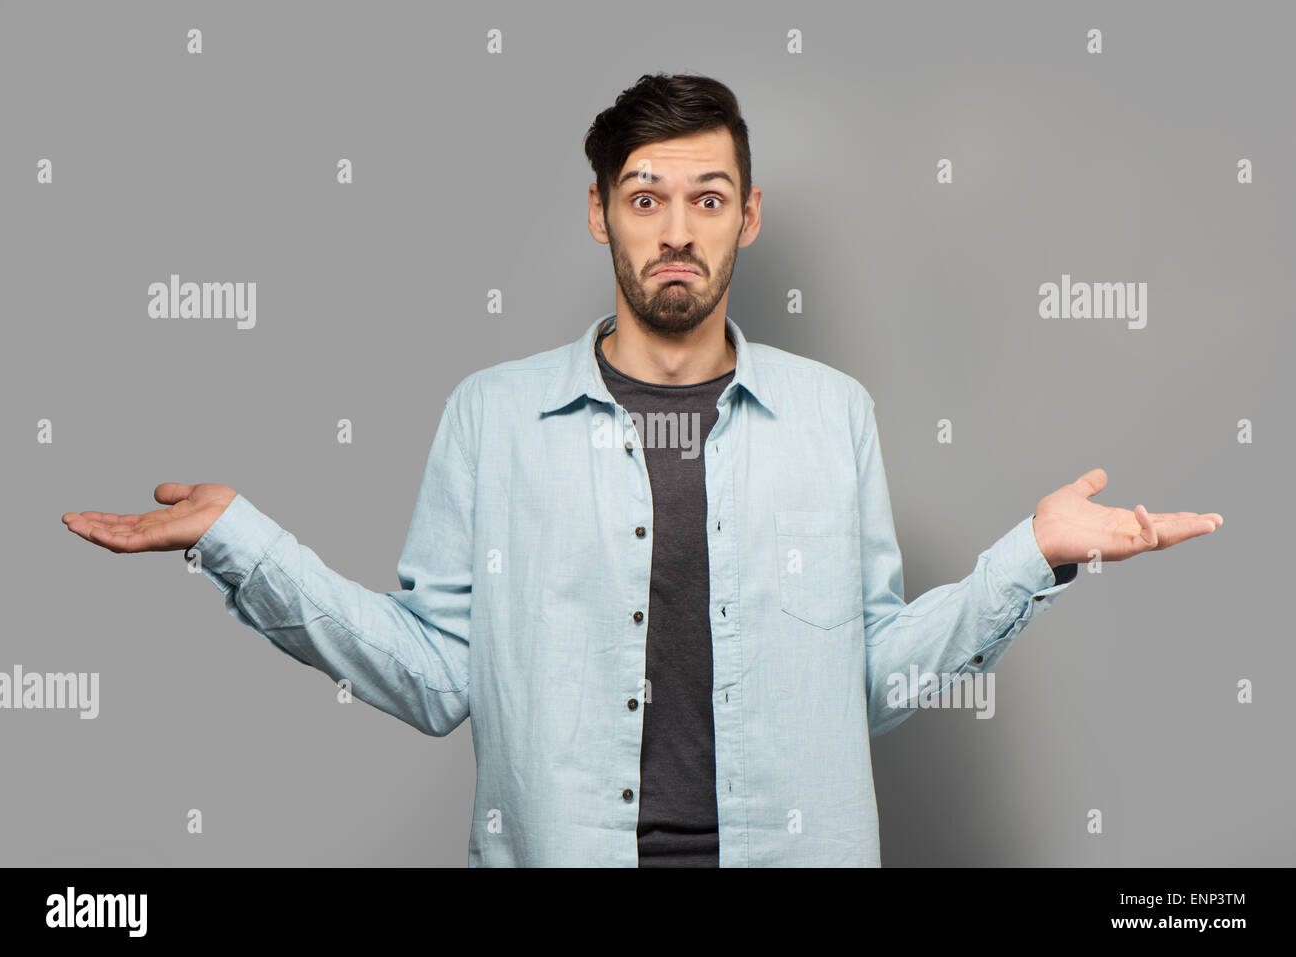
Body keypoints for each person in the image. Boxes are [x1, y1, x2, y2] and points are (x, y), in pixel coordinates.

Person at [62, 73, 1222, 867]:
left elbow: (859, 686)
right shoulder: (493, 419)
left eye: (707, 200)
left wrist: (1033, 559)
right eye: (647, 197)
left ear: (748, 218)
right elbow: (430, 679)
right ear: (600, 215)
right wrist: (241, 540)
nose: (677, 228)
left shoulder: (832, 416)